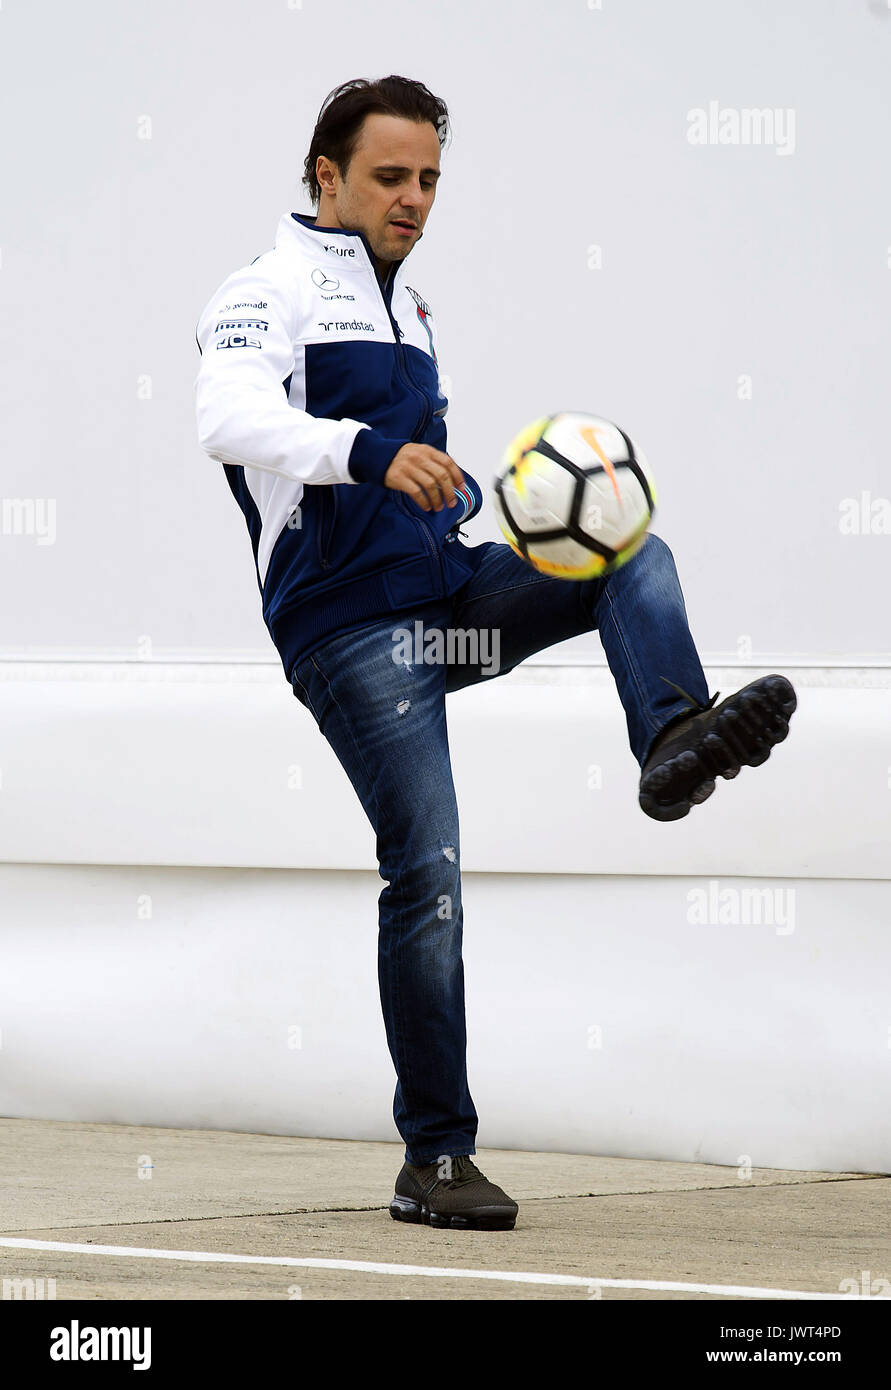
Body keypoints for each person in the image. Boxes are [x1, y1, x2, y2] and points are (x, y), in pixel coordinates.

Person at [194, 74, 797, 1233]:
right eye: (390, 177)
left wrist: (456, 492)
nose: (414, 199)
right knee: (427, 871)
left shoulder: (414, 318)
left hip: (447, 607)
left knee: (625, 545)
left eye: (428, 179)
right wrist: (371, 455)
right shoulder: (261, 291)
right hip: (352, 637)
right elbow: (223, 417)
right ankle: (435, 1158)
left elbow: (408, 483)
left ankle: (672, 734)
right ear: (324, 176)